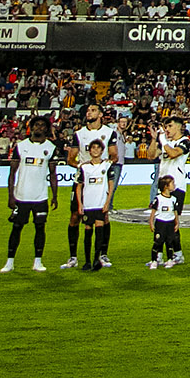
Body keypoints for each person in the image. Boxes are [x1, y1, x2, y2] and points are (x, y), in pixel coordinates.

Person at [65, 104, 118, 270]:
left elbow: (114, 155)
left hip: (100, 180)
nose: (89, 113)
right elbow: (71, 158)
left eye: (93, 110)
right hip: (83, 180)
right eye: (88, 111)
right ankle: (73, 256)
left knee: (104, 215)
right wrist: (84, 167)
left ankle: (102, 253)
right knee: (75, 215)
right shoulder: (79, 134)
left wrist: (100, 166)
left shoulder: (109, 132)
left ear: (101, 114)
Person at [3, 116, 57, 274]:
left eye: (42, 125)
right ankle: (10, 262)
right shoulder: (21, 146)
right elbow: (12, 172)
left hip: (40, 196)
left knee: (40, 227)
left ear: (46, 129)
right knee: (17, 227)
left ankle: (38, 261)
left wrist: (55, 196)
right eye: (36, 125)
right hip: (22, 195)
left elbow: (53, 174)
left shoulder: (51, 148)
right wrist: (11, 195)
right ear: (31, 128)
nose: (39, 128)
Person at [143, 118, 187, 265]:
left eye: (170, 126)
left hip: (177, 186)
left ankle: (178, 254)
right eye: (165, 126)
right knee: (161, 221)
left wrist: (163, 140)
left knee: (172, 222)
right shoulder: (164, 142)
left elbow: (174, 154)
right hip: (163, 188)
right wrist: (155, 139)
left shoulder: (185, 141)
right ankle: (160, 256)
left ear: (179, 127)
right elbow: (150, 156)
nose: (167, 129)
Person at [74, 139, 114, 273]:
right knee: (87, 232)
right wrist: (80, 205)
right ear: (89, 151)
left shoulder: (107, 166)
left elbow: (111, 185)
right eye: (93, 148)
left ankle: (97, 259)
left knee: (99, 231)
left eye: (98, 148)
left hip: (100, 204)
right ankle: (87, 261)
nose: (96, 150)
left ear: (102, 151)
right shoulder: (84, 167)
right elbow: (78, 187)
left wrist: (107, 202)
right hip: (88, 205)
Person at [148, 175, 181, 269]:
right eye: (172, 184)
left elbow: (175, 212)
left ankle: (170, 260)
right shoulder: (158, 199)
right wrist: (151, 223)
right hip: (160, 223)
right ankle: (154, 261)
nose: (174, 185)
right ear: (166, 186)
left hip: (170, 223)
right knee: (158, 242)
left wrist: (177, 223)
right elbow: (153, 212)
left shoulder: (173, 199)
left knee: (169, 242)